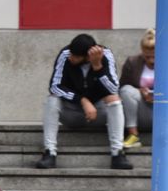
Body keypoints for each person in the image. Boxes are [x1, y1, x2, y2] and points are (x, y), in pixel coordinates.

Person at [35, 33, 132, 170]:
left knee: (114, 98)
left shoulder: (106, 55)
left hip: (99, 113)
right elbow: (54, 86)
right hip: (72, 113)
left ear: (88, 56)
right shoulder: (66, 54)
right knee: (52, 100)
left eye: (76, 56)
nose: (71, 57)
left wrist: (98, 67)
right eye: (71, 53)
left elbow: (113, 88)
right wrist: (82, 100)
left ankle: (118, 153)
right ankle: (49, 152)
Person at [120, 28, 155, 148]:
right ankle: (133, 135)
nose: (151, 60)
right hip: (140, 110)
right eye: (147, 57)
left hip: (162, 109)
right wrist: (141, 91)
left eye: (155, 56)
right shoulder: (132, 62)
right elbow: (122, 87)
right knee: (126, 90)